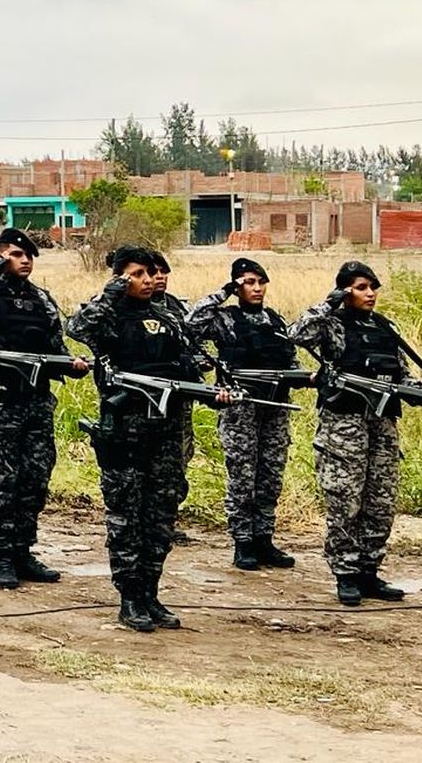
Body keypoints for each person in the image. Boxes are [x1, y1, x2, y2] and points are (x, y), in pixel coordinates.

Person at [66, 245, 219, 632]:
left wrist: (211, 393)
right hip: (124, 432)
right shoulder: (107, 315)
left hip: (165, 432)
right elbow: (77, 327)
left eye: (151, 273)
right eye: (137, 274)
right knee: (127, 518)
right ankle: (130, 598)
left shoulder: (167, 317)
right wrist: (113, 292)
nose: (148, 280)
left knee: (160, 518)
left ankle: (150, 593)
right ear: (120, 277)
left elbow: (188, 366)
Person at [289, 261, 422, 606]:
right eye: (361, 287)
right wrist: (331, 300)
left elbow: (401, 377)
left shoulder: (384, 328)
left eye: (373, 287)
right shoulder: (332, 324)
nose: (370, 294)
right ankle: (346, 574)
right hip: (344, 426)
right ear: (346, 291)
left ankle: (368, 571)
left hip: (382, 426)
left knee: (380, 502)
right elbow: (296, 334)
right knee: (345, 501)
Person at [0, 228, 87, 589]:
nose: (24, 260)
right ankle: (3, 556)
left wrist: (69, 365)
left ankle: (24, 550)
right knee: (0, 480)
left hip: (37, 401)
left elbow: (56, 347)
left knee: (34, 479)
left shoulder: (42, 300)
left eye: (28, 256)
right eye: (15, 254)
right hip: (0, 401)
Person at [186, 258, 297, 571]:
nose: (256, 288)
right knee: (242, 477)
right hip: (240, 409)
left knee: (270, 476)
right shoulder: (225, 318)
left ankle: (264, 538)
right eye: (248, 282)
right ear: (237, 286)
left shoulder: (274, 320)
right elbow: (192, 322)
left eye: (261, 282)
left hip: (274, 407)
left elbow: (289, 358)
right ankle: (242, 542)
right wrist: (223, 293)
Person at [149, 250, 195, 544]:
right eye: (153, 273)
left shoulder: (177, 307)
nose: (160, 278)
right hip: (148, 399)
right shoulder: (128, 307)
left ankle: (167, 518)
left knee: (179, 457)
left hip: (179, 398)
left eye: (164, 272)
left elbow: (193, 339)